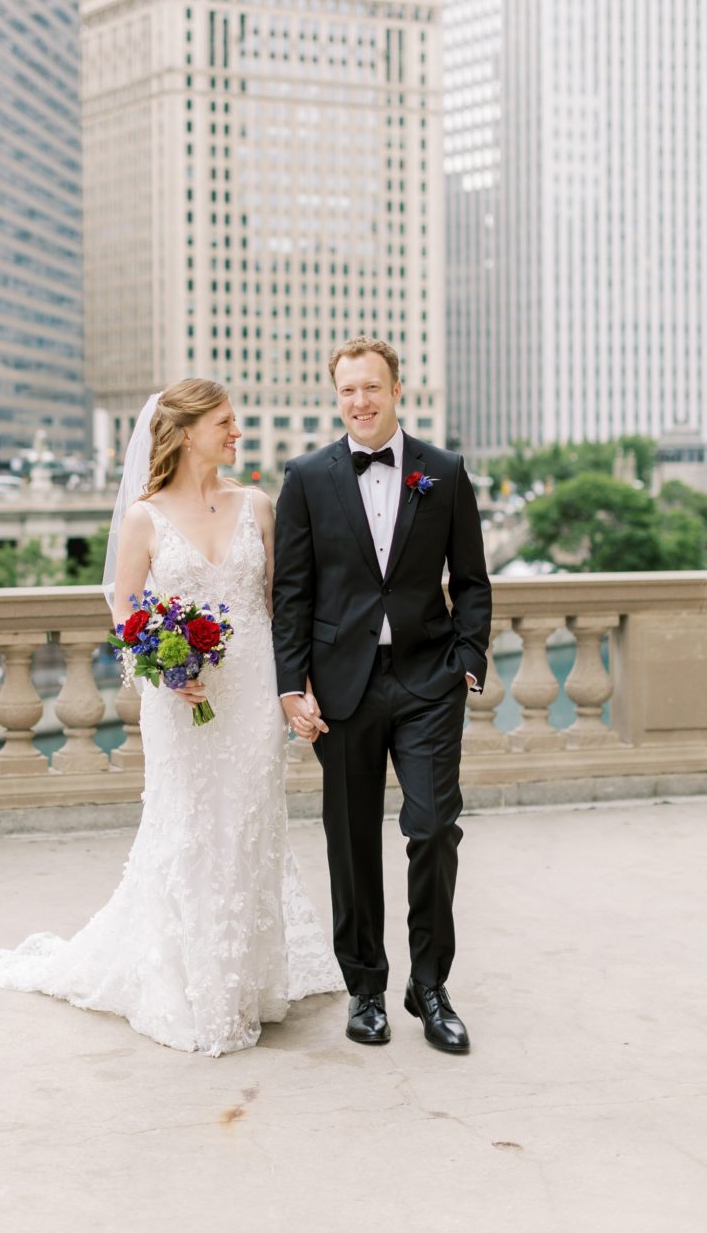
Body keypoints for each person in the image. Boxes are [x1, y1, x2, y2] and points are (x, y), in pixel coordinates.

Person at [0, 380, 341, 1055]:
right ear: (186, 432)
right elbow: (127, 614)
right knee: (187, 825)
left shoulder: (258, 506)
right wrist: (167, 668)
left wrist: (294, 689)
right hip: (181, 701)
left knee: (249, 821)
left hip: (248, 692)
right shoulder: (144, 518)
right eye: (225, 421)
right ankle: (193, 987)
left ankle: (248, 981)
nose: (236, 431)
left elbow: (282, 607)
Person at [272, 338, 492, 1054]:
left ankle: (430, 984)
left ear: (398, 388)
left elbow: (473, 580)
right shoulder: (306, 477)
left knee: (432, 830)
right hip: (342, 687)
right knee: (351, 838)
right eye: (347, 391)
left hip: (429, 679)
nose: (360, 402)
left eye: (372, 387)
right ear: (335, 396)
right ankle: (365, 986)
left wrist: (467, 656)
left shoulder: (445, 472)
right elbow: (293, 593)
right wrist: (288, 685)